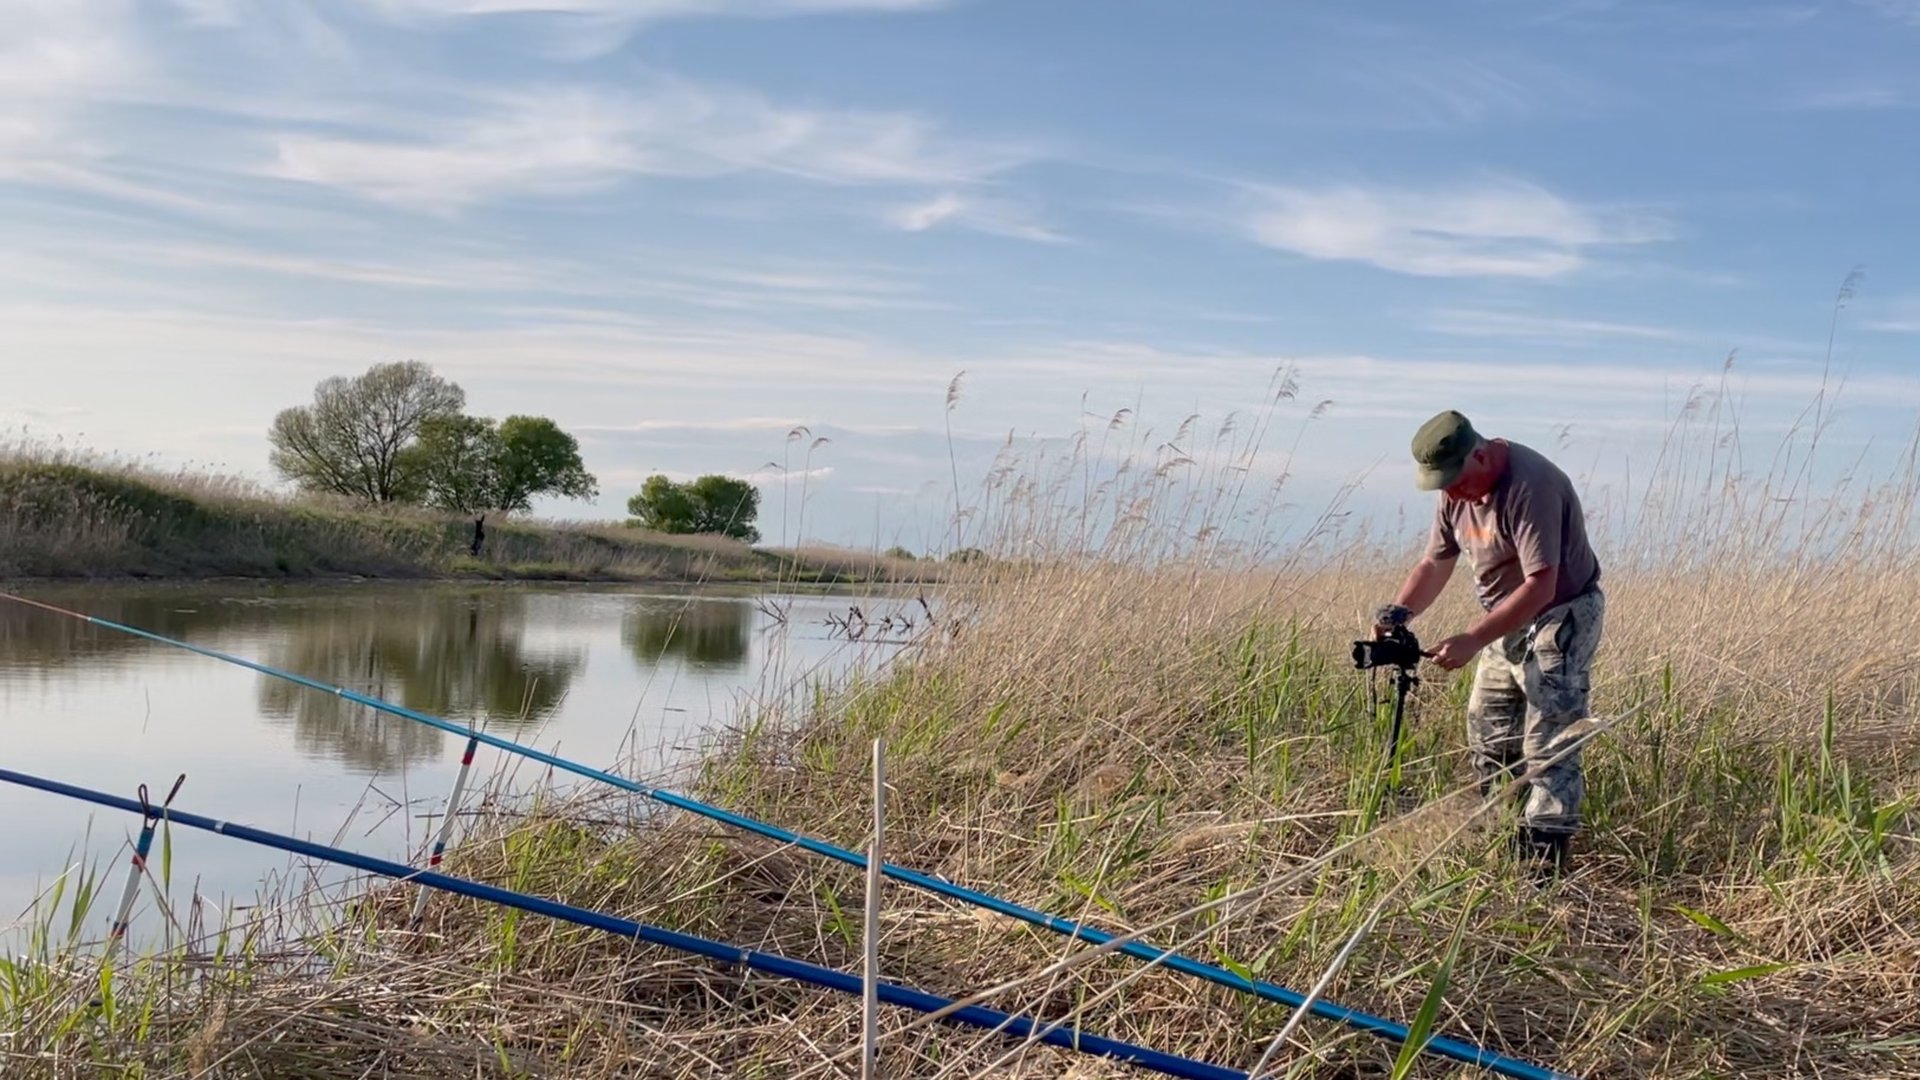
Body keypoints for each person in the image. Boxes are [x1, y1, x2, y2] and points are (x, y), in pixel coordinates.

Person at [1372, 410, 1605, 877]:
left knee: (1550, 743)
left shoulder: (1530, 485)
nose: (1451, 493)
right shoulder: (1454, 493)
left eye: (1455, 480)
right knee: (1490, 733)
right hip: (1504, 620)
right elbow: (1435, 561)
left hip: (1560, 615)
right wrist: (1399, 612)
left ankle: (1544, 870)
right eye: (1441, 484)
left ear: (1480, 454)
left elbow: (1541, 584)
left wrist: (1474, 639)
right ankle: (1505, 838)